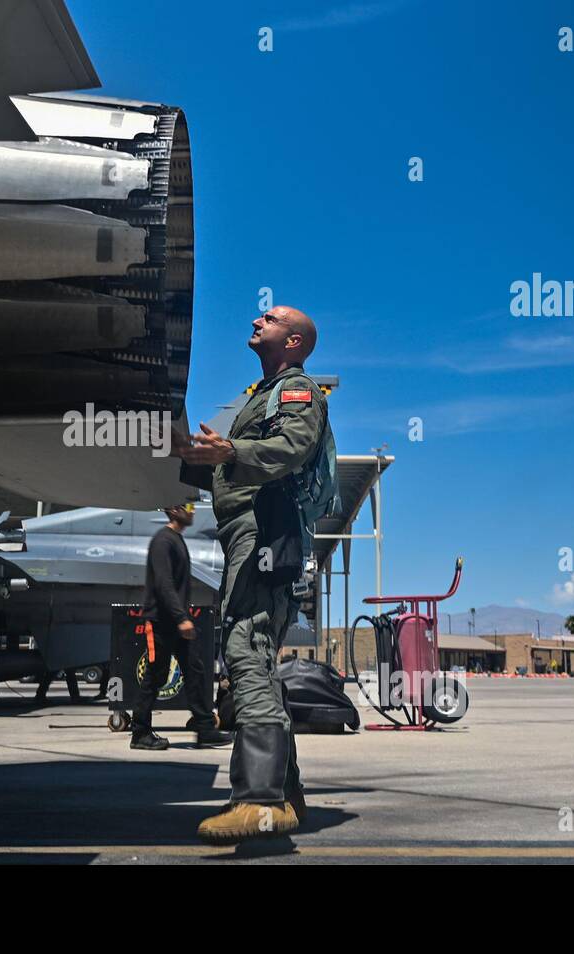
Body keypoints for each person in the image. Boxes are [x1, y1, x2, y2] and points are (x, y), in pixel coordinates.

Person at [178, 305, 329, 845]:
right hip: (247, 528)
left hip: (265, 530)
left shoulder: (296, 390)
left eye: (273, 318)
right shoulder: (258, 395)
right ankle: (285, 797)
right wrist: (197, 457)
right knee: (254, 654)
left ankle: (260, 801)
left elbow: (291, 449)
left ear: (294, 342)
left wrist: (232, 449)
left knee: (246, 647)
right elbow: (237, 463)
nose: (259, 318)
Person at [130, 503, 233, 751]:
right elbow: (164, 585)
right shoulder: (163, 541)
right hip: (161, 622)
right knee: (155, 676)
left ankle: (205, 728)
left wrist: (182, 618)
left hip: (176, 622)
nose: (193, 510)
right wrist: (181, 617)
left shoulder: (176, 540)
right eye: (188, 506)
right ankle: (140, 733)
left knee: (196, 672)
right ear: (174, 510)